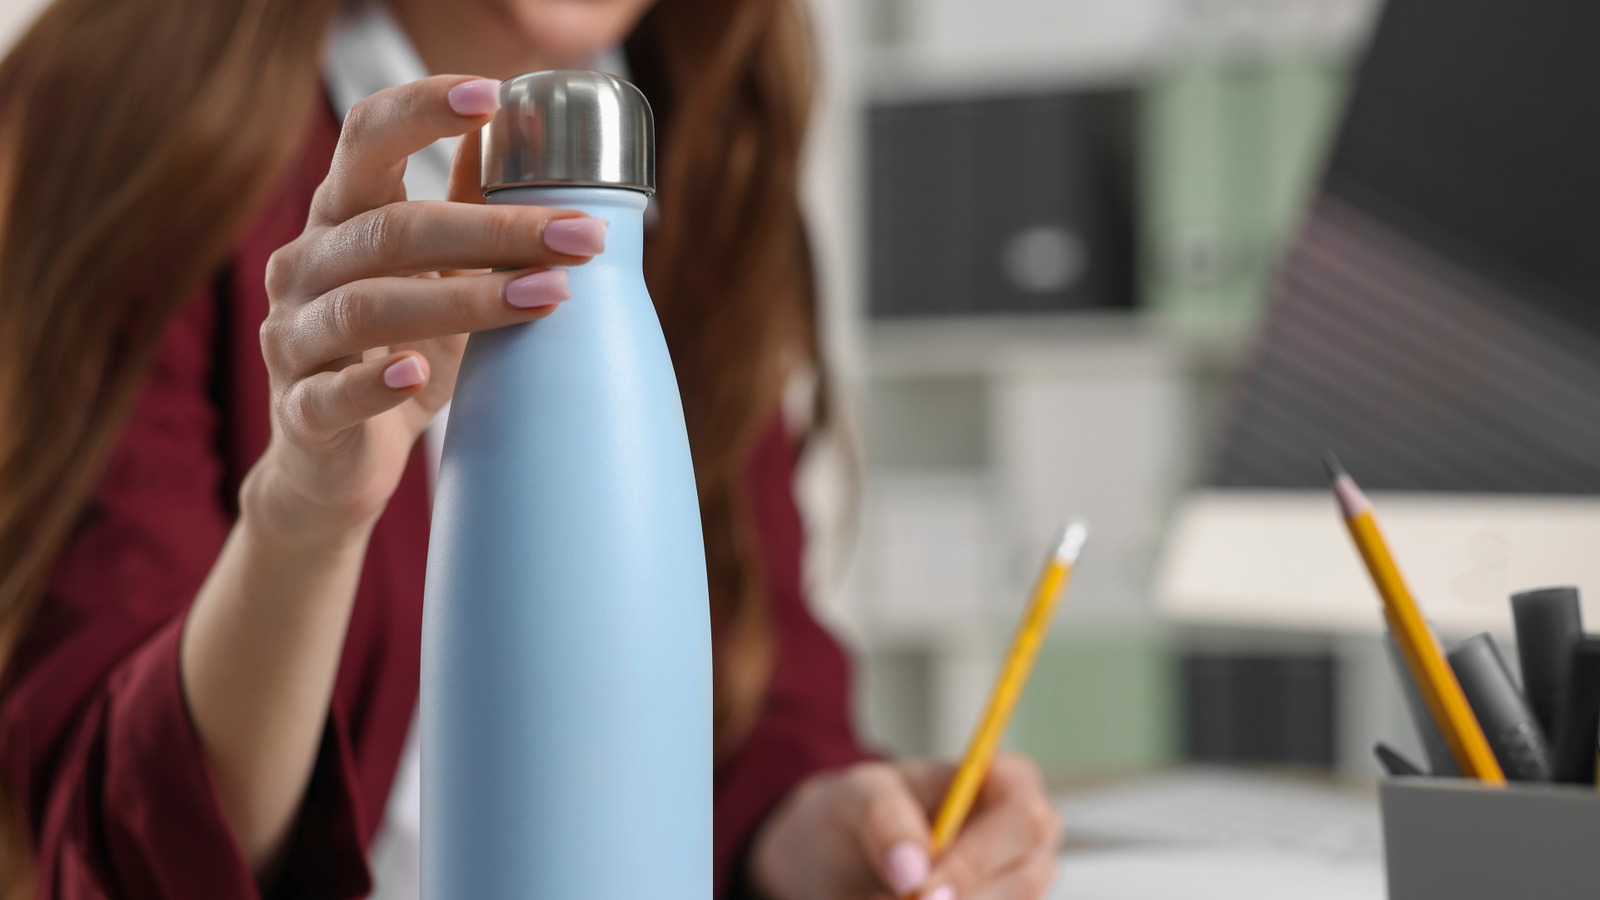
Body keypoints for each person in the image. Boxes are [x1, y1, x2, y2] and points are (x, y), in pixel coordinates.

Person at [0, 0, 1062, 898]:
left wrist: (819, 824)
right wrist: (303, 518)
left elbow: (754, 673)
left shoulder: (691, 154)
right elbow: (109, 826)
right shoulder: (123, 125)